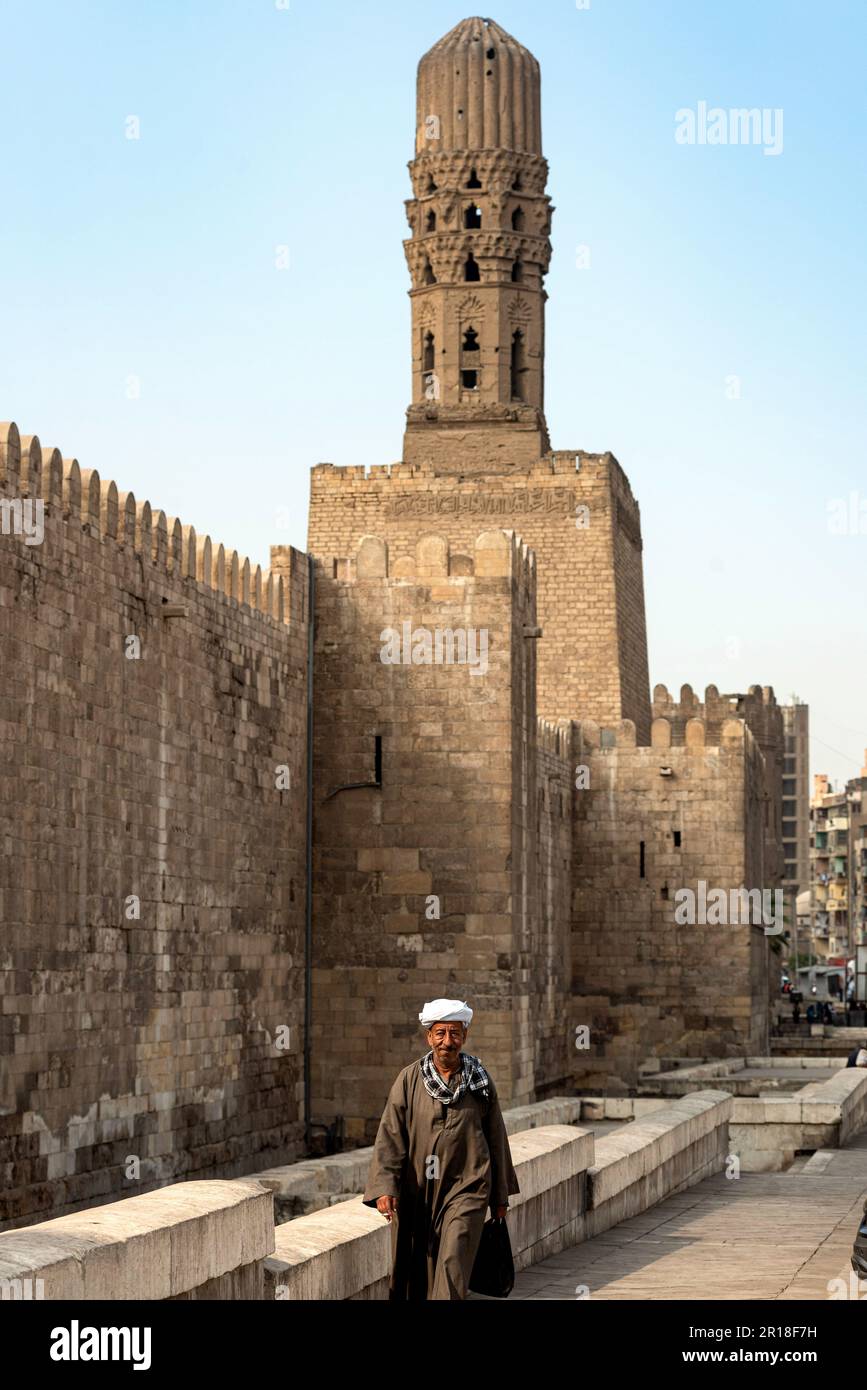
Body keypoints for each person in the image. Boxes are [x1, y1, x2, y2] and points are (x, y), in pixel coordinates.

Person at [363, 997, 519, 1301]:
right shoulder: (409, 1080)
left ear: (464, 1037)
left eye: (455, 1033)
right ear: (429, 1037)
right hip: (418, 1192)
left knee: (452, 1259)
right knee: (417, 1271)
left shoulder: (480, 1082)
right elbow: (391, 1137)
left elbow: (496, 1138)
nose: (448, 1042)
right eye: (441, 1033)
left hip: (468, 1188)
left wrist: (499, 1195)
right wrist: (384, 1187)